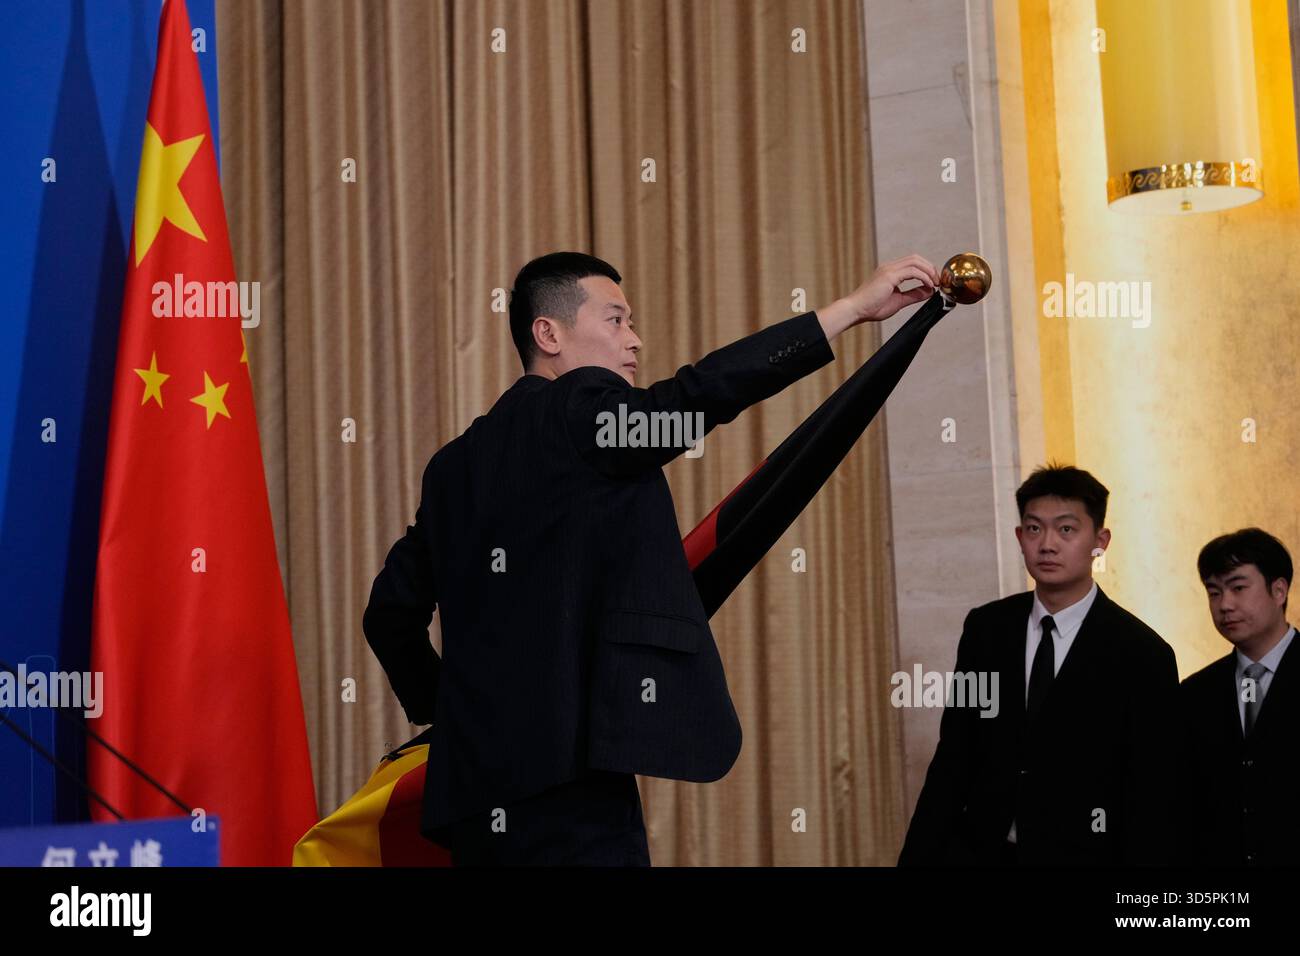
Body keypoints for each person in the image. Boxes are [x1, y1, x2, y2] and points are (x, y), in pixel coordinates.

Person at [363, 250, 939, 865]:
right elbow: (698, 396)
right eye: (615, 320)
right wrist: (850, 311)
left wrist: (451, 713)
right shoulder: (581, 409)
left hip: (473, 793)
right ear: (548, 333)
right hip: (572, 781)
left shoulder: (452, 466)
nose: (634, 340)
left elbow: (388, 614)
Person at [898, 464, 1179, 866]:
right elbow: (955, 755)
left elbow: (1153, 796)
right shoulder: (986, 630)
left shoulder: (1142, 653)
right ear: (1020, 537)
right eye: (1034, 529)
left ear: (1100, 541)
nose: (1047, 544)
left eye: (1066, 530)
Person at [1177, 528, 1298, 865]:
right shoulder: (1194, 694)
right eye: (1214, 593)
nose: (1225, 605)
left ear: (1279, 590)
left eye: (1238, 588)